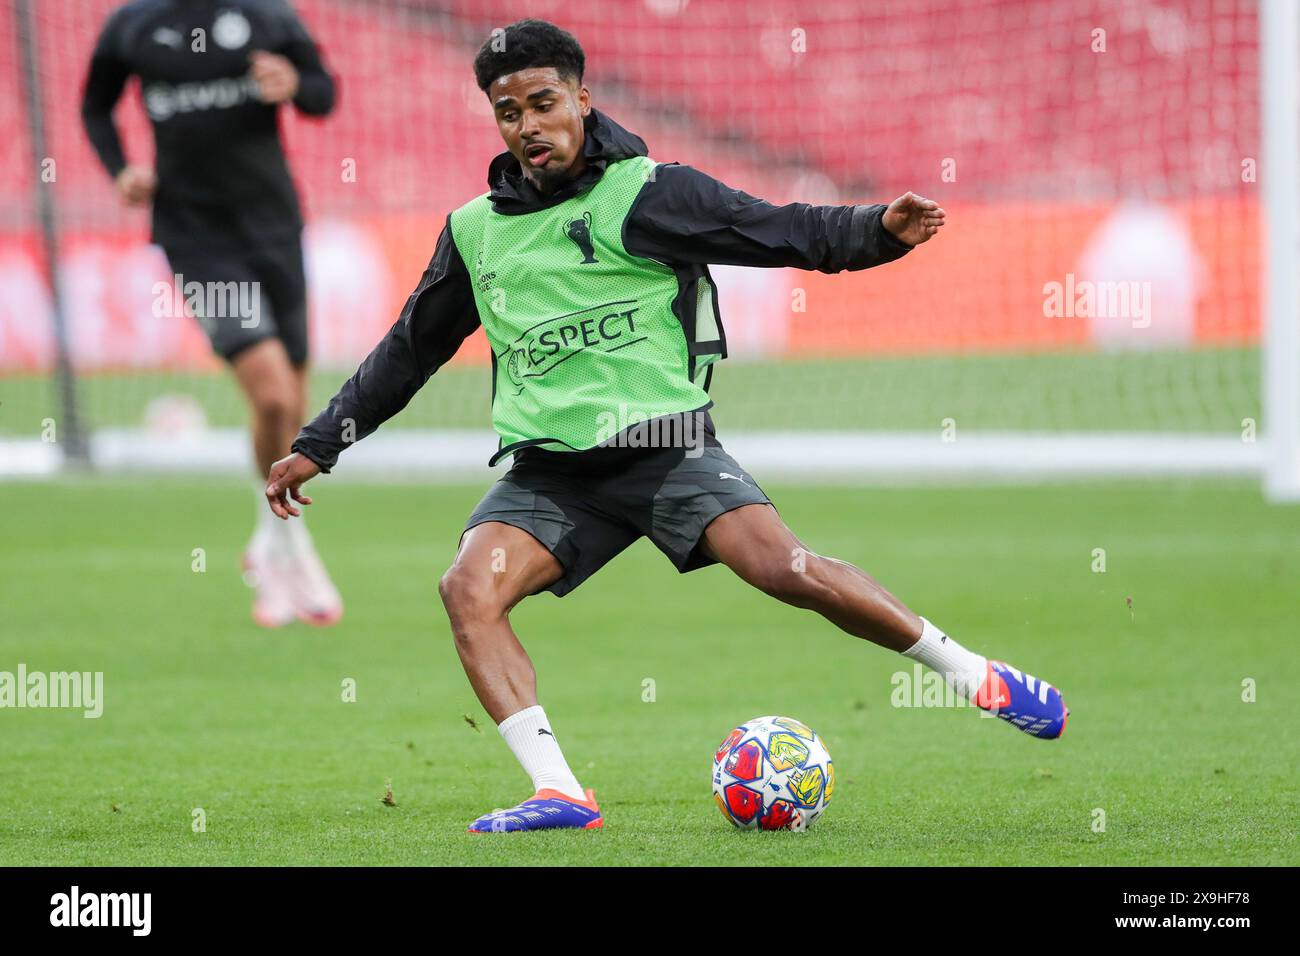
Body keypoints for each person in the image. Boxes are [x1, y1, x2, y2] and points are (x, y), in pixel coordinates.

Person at [267, 19, 1068, 832]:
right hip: (551, 475)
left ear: (582, 99)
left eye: (543, 104)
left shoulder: (649, 192)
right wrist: (318, 444)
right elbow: (412, 347)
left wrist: (875, 232)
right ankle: (561, 792)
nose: (528, 126)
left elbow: (776, 227)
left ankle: (974, 675)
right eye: (509, 114)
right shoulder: (476, 231)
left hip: (666, 449)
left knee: (786, 570)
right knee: (468, 589)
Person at [82, 0, 342, 627]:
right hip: (195, 237)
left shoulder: (266, 17)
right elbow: (95, 105)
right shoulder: (133, 25)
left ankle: (271, 541)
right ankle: (292, 543)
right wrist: (120, 171)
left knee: (294, 414)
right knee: (275, 398)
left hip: (275, 226)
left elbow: (322, 92)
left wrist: (293, 86)